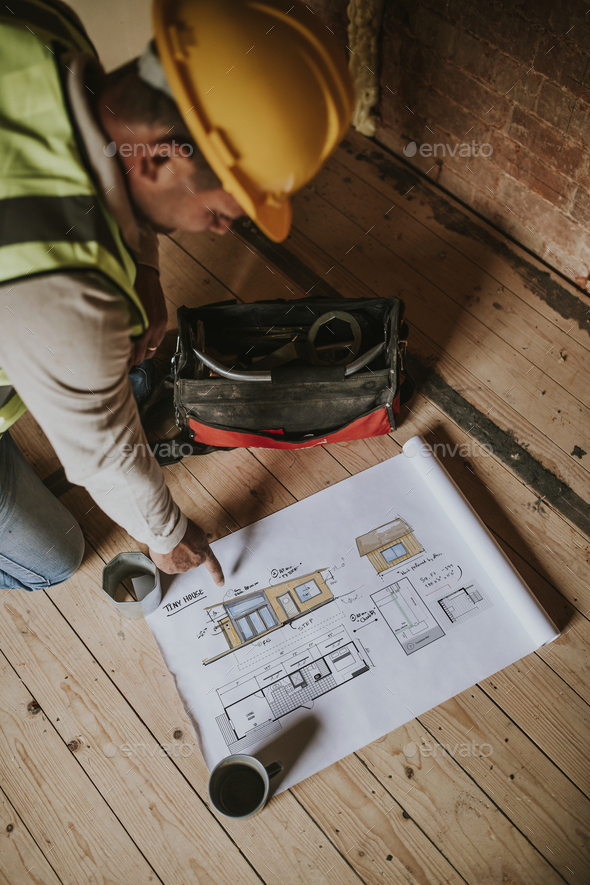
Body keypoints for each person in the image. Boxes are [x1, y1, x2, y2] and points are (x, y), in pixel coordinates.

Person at [0, 0, 354, 592]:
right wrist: (166, 536)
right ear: (162, 155)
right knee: (55, 560)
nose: (219, 229)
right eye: (218, 212)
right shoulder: (62, 286)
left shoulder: (40, 22)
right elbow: (103, 460)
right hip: (31, 317)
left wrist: (143, 265)